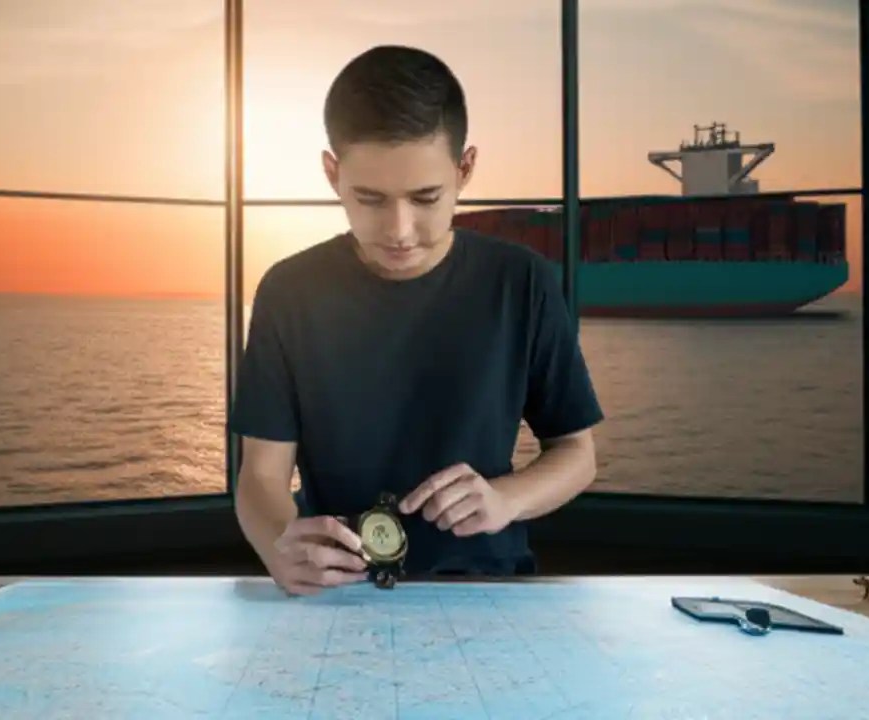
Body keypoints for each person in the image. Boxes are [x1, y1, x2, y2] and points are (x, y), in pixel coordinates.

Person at [230, 45, 603, 596]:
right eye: (370, 199)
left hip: (486, 590)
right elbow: (260, 475)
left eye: (426, 197)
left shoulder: (522, 283)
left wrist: (507, 499)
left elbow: (578, 454)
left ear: (466, 168)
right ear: (333, 175)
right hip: (335, 593)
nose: (400, 230)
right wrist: (280, 545)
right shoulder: (288, 291)